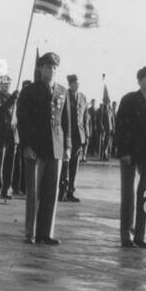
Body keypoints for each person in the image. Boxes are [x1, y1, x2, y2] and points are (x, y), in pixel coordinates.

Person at [16, 53, 68, 245]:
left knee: (51, 193)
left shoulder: (62, 91)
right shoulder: (30, 91)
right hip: (36, 149)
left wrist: (67, 145)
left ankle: (46, 233)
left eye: (54, 68)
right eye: (47, 67)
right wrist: (26, 146)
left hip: (56, 148)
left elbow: (66, 121)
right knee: (34, 193)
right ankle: (31, 233)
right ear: (40, 69)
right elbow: (23, 121)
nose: (51, 71)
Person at [114, 66, 146, 249]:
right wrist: (123, 152)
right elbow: (120, 127)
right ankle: (126, 236)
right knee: (128, 196)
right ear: (139, 81)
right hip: (131, 152)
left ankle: (141, 235)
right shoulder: (129, 99)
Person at [58, 74, 88, 202]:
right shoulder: (64, 95)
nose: (77, 85)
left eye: (78, 83)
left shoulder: (82, 97)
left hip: (79, 136)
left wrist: (86, 134)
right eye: (75, 83)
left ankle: (71, 191)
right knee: (65, 164)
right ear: (70, 84)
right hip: (67, 136)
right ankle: (62, 191)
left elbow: (85, 118)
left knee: (74, 166)